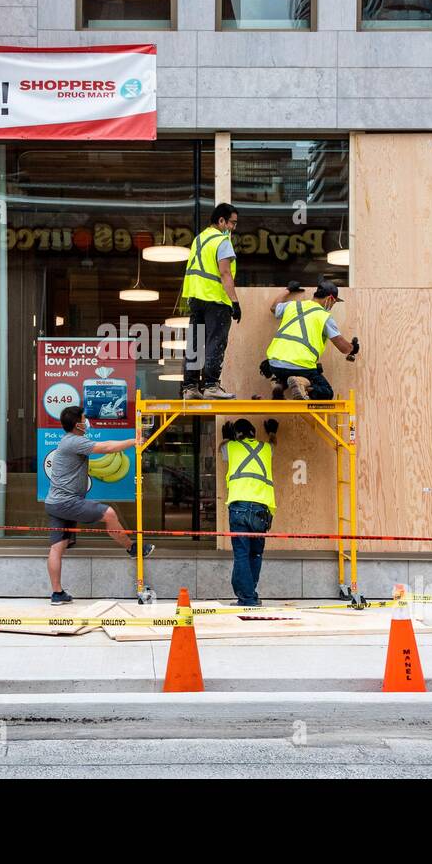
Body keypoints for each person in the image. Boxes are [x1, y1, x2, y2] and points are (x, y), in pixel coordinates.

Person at [44, 405, 151, 605]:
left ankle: (57, 594)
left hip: (55, 502)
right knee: (109, 513)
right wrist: (133, 441)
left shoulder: (68, 441)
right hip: (67, 502)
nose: (87, 422)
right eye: (84, 419)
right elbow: (107, 448)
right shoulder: (74, 441)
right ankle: (132, 549)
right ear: (78, 425)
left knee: (57, 547)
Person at [180, 203, 242, 400]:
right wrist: (234, 301)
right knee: (215, 341)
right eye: (232, 223)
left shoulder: (199, 240)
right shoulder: (222, 241)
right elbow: (225, 273)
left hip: (196, 298)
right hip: (215, 298)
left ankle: (190, 387)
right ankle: (211, 386)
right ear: (221, 221)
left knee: (195, 343)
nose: (233, 227)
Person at [261, 278, 359, 400]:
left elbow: (274, 307)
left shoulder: (294, 306)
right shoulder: (324, 317)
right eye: (334, 303)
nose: (332, 306)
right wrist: (353, 348)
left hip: (275, 364)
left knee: (287, 373)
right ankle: (302, 383)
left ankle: (279, 384)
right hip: (301, 366)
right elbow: (343, 348)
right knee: (326, 392)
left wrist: (288, 290)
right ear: (330, 299)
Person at [220, 418, 279, 607]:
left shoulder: (232, 446)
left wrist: (226, 436)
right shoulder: (265, 448)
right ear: (254, 432)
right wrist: (272, 431)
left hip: (239, 508)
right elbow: (273, 444)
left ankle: (247, 598)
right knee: (255, 554)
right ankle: (249, 593)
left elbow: (222, 448)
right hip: (261, 509)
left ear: (237, 434)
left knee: (242, 554)